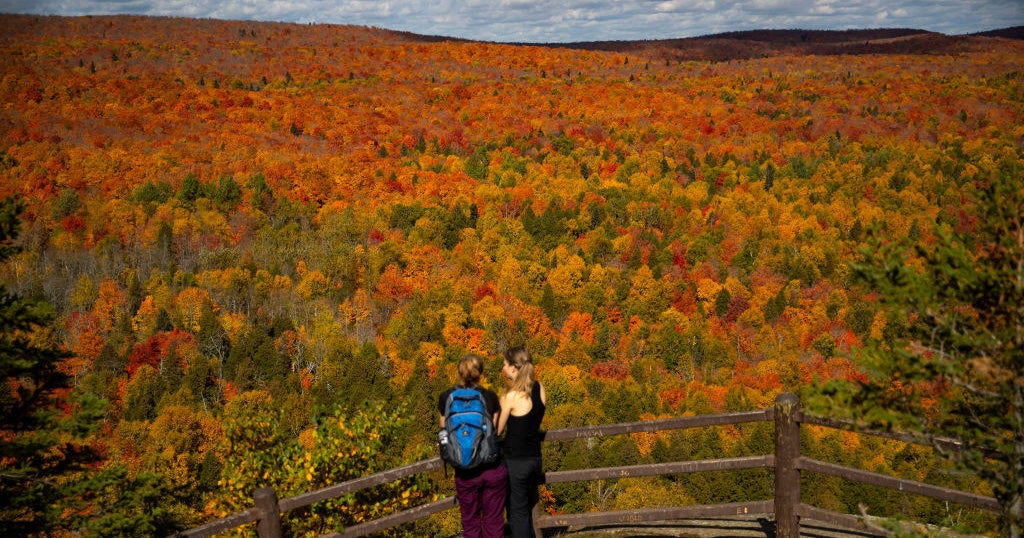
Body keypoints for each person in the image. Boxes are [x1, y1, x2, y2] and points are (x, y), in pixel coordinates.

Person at [437, 354, 508, 538]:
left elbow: (444, 431)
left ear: (459, 372)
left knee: (470, 525)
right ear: (481, 373)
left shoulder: (446, 398)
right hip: (491, 468)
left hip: (464, 470)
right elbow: (495, 432)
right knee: (493, 522)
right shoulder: (489, 397)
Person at [497, 346, 547, 538]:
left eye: (504, 364)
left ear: (513, 368)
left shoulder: (511, 396)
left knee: (517, 513)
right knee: (526, 508)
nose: (502, 368)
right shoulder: (540, 389)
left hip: (516, 462)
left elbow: (498, 431)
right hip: (535, 459)